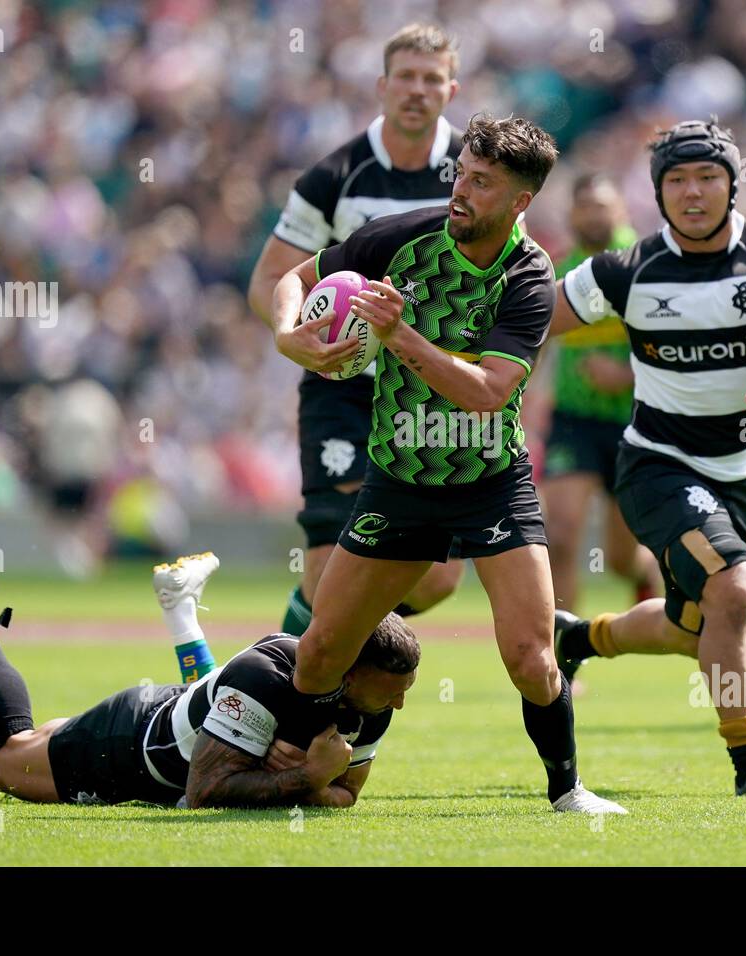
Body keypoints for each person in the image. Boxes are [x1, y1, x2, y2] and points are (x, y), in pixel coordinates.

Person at [272, 113, 623, 815]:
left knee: (532, 656)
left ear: (520, 202)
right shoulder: (402, 235)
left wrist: (398, 336)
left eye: (483, 183)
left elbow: (491, 393)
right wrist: (292, 339)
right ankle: (288, 772)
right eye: (462, 172)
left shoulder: (529, 274)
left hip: (490, 485)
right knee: (317, 654)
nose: (462, 190)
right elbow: (295, 276)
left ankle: (567, 790)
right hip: (398, 483)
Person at [548, 118, 746, 795]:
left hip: (738, 477)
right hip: (657, 466)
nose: (693, 192)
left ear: (733, 185)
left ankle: (579, 639)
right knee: (736, 588)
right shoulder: (628, 270)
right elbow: (532, 315)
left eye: (708, 176)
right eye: (676, 179)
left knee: (693, 630)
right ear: (656, 193)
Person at [249, 24, 466, 643]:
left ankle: (339, 651)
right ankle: (290, 695)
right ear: (382, 85)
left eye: (432, 80)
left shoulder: (473, 174)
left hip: (433, 390)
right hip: (342, 386)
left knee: (435, 579)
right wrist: (289, 334)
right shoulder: (334, 175)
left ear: (452, 89)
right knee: (327, 573)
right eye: (406, 77)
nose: (418, 91)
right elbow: (268, 277)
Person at [0, 552, 416, 808]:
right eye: (392, 692)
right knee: (7, 764)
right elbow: (206, 790)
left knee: (214, 705)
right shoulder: (265, 673)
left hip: (192, 716)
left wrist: (299, 778)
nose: (398, 706)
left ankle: (179, 603)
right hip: (130, 743)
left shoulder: (370, 703)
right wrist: (306, 778)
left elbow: (347, 795)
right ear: (348, 671)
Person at [540, 173, 659, 613]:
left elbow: (679, 343)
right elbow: (531, 343)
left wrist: (626, 373)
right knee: (563, 534)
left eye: (603, 206)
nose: (594, 215)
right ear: (572, 214)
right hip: (574, 421)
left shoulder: (646, 264)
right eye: (585, 207)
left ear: (622, 211)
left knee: (621, 558)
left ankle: (646, 577)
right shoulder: (558, 269)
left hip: (636, 421)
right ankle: (565, 657)